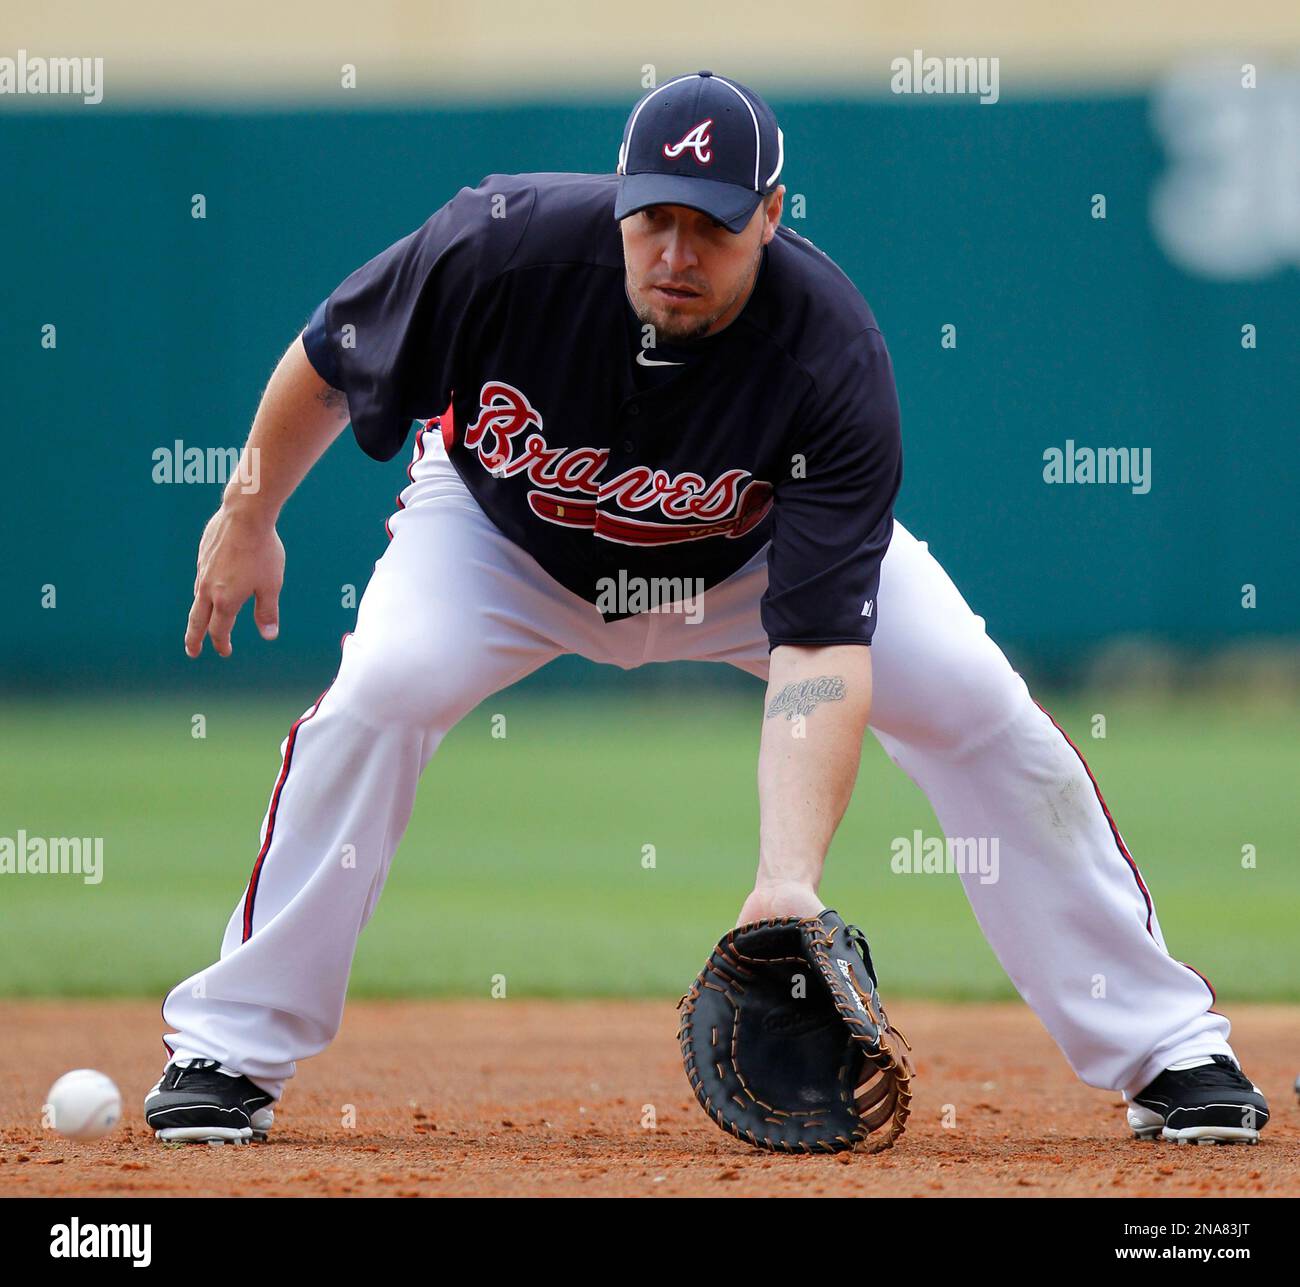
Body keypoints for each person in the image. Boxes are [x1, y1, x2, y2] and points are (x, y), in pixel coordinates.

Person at [144, 72, 1268, 1148]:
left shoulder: (830, 354)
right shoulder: (496, 244)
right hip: (497, 543)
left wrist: (787, 876)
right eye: (655, 220)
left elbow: (822, 651)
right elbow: (329, 359)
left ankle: (1167, 1051)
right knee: (378, 695)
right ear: (619, 201)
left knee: (981, 709)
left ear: (770, 216)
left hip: (745, 567)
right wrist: (247, 515)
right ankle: (228, 1052)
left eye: (714, 227)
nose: (677, 254)